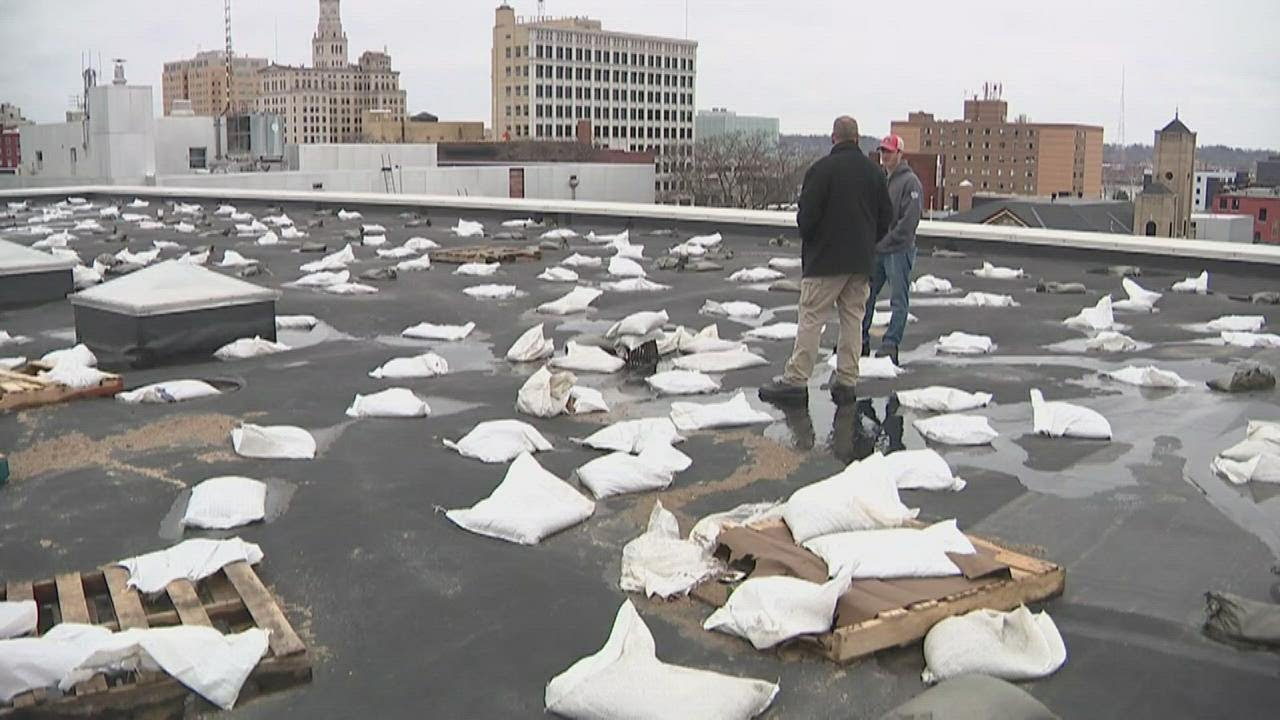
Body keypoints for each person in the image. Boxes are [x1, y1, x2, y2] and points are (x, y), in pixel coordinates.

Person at [759, 116, 893, 406]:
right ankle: (847, 380)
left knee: (811, 319)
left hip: (824, 261)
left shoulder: (820, 171)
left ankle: (796, 380)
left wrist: (814, 239)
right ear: (857, 139)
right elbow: (887, 219)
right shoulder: (875, 173)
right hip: (859, 261)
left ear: (834, 138)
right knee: (853, 321)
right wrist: (868, 242)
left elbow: (806, 219)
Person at [861, 134, 923, 366]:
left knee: (899, 299)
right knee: (866, 295)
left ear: (900, 154)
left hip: (899, 250)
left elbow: (909, 221)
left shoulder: (910, 183)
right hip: (879, 250)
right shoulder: (883, 180)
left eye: (889, 152)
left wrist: (886, 240)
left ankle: (890, 343)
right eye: (882, 152)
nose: (885, 156)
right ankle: (861, 339)